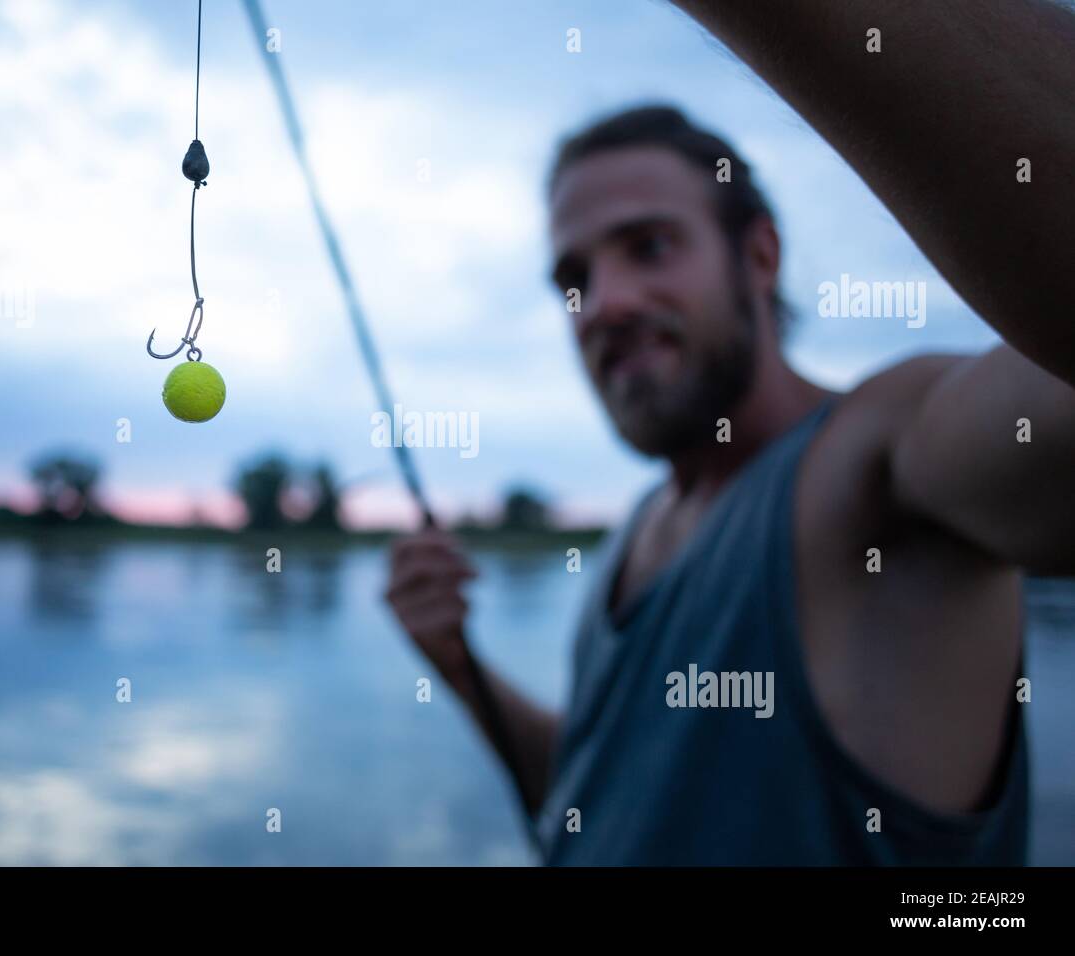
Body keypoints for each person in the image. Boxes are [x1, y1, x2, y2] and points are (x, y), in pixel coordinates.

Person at [385, 0, 1075, 864]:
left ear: (759, 257)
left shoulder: (879, 462)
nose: (603, 304)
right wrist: (461, 667)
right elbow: (596, 795)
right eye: (575, 276)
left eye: (649, 246)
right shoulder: (636, 531)